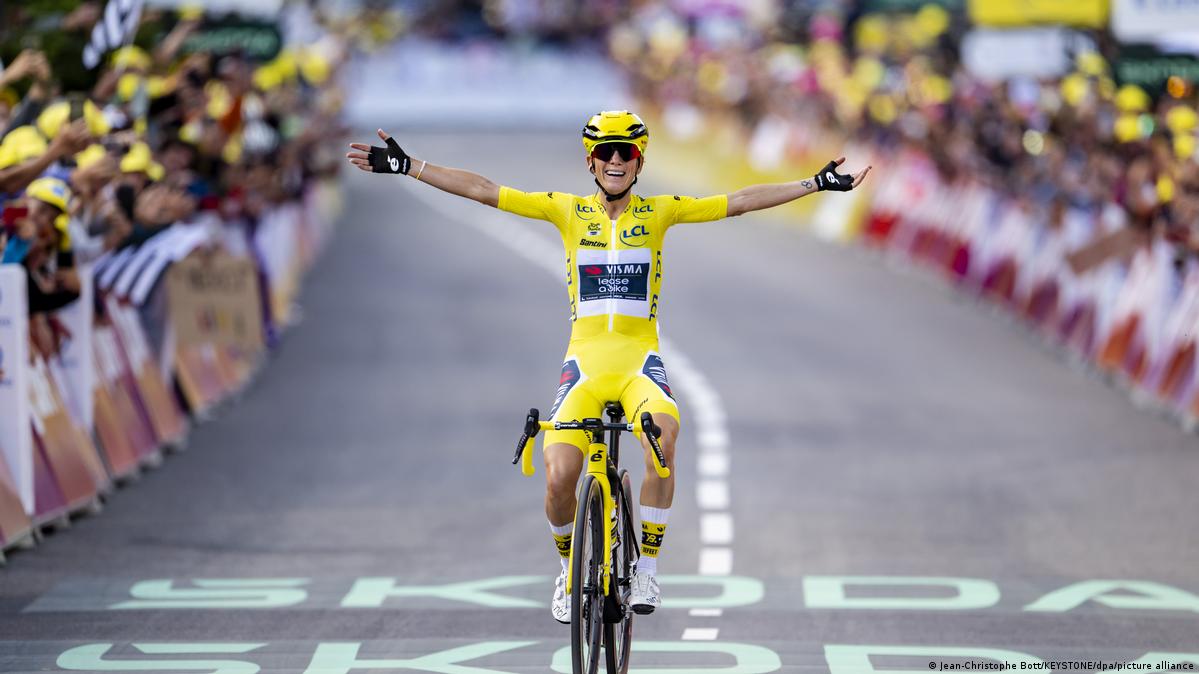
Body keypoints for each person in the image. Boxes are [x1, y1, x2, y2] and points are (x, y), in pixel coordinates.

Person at [346, 110, 870, 623]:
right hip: (585, 364)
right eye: (606, 152)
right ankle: (565, 570)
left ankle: (649, 569)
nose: (616, 160)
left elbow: (737, 202)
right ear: (591, 161)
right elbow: (486, 189)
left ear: (639, 162)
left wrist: (814, 183)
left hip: (639, 361)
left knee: (663, 439)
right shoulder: (566, 210)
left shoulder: (660, 212)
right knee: (558, 478)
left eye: (627, 153)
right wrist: (411, 166)